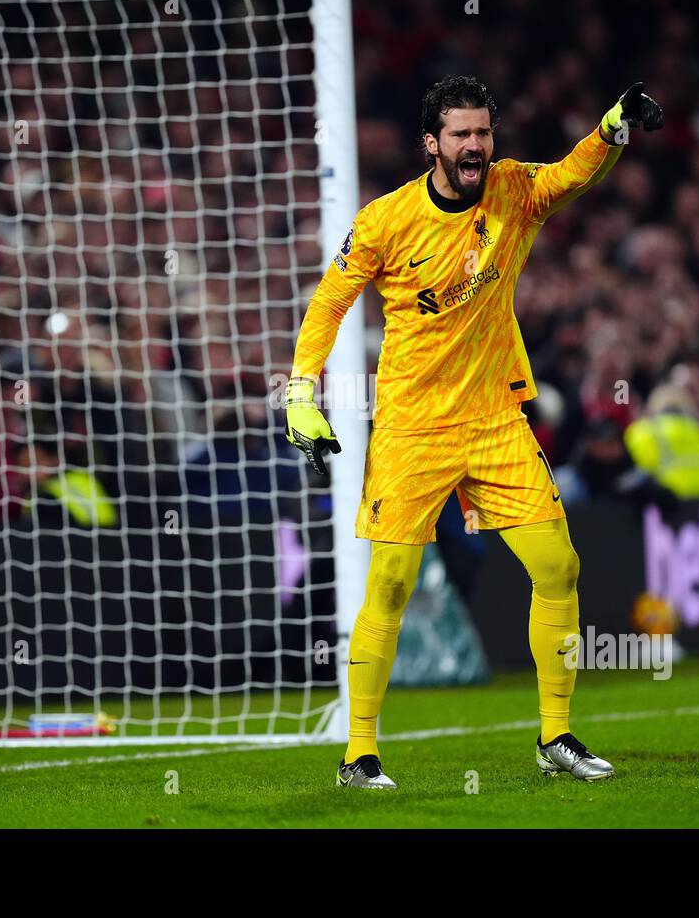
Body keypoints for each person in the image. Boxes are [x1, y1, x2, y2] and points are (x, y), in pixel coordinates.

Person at [284, 75, 663, 788]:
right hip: (413, 426)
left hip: (494, 416)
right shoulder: (386, 221)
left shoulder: (513, 190)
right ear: (432, 143)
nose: (474, 146)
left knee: (559, 567)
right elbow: (330, 303)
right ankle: (358, 754)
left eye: (482, 133)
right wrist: (302, 391)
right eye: (460, 135)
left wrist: (613, 129)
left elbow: (572, 175)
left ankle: (556, 737)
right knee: (392, 585)